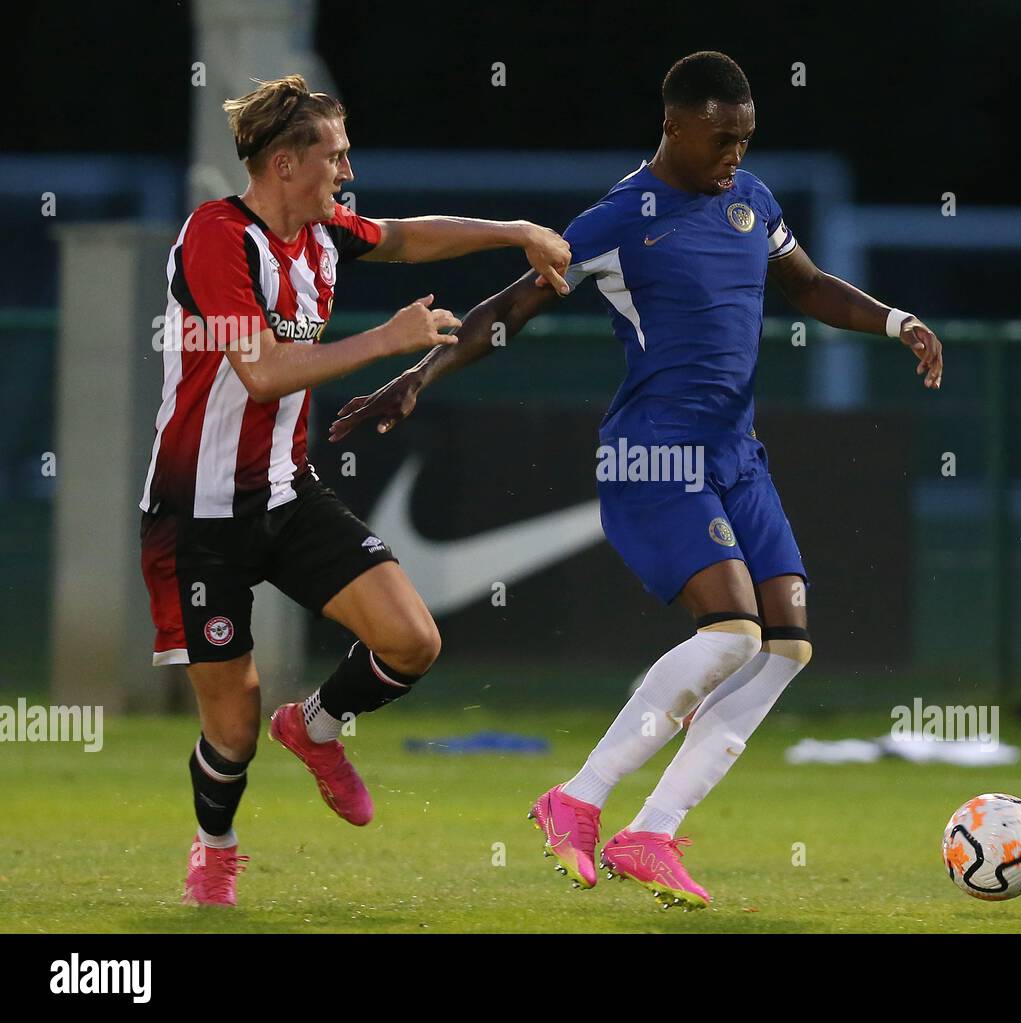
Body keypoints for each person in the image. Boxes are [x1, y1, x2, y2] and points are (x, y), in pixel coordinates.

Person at [329, 52, 942, 910]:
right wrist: (419, 376)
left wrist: (896, 320)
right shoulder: (621, 216)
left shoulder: (751, 200)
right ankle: (574, 800)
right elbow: (509, 307)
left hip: (737, 454)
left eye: (747, 138)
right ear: (677, 126)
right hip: (654, 454)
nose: (736, 152)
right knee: (730, 632)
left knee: (788, 642)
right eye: (723, 138)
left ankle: (651, 830)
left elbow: (805, 286)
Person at [138, 74, 571, 907]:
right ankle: (215, 845)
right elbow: (258, 371)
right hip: (198, 514)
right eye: (334, 154)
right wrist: (388, 340)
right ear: (286, 161)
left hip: (285, 493)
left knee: (413, 639)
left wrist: (513, 231)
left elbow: (406, 238)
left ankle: (319, 724)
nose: (346, 168)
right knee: (231, 728)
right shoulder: (214, 238)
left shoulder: (324, 231)